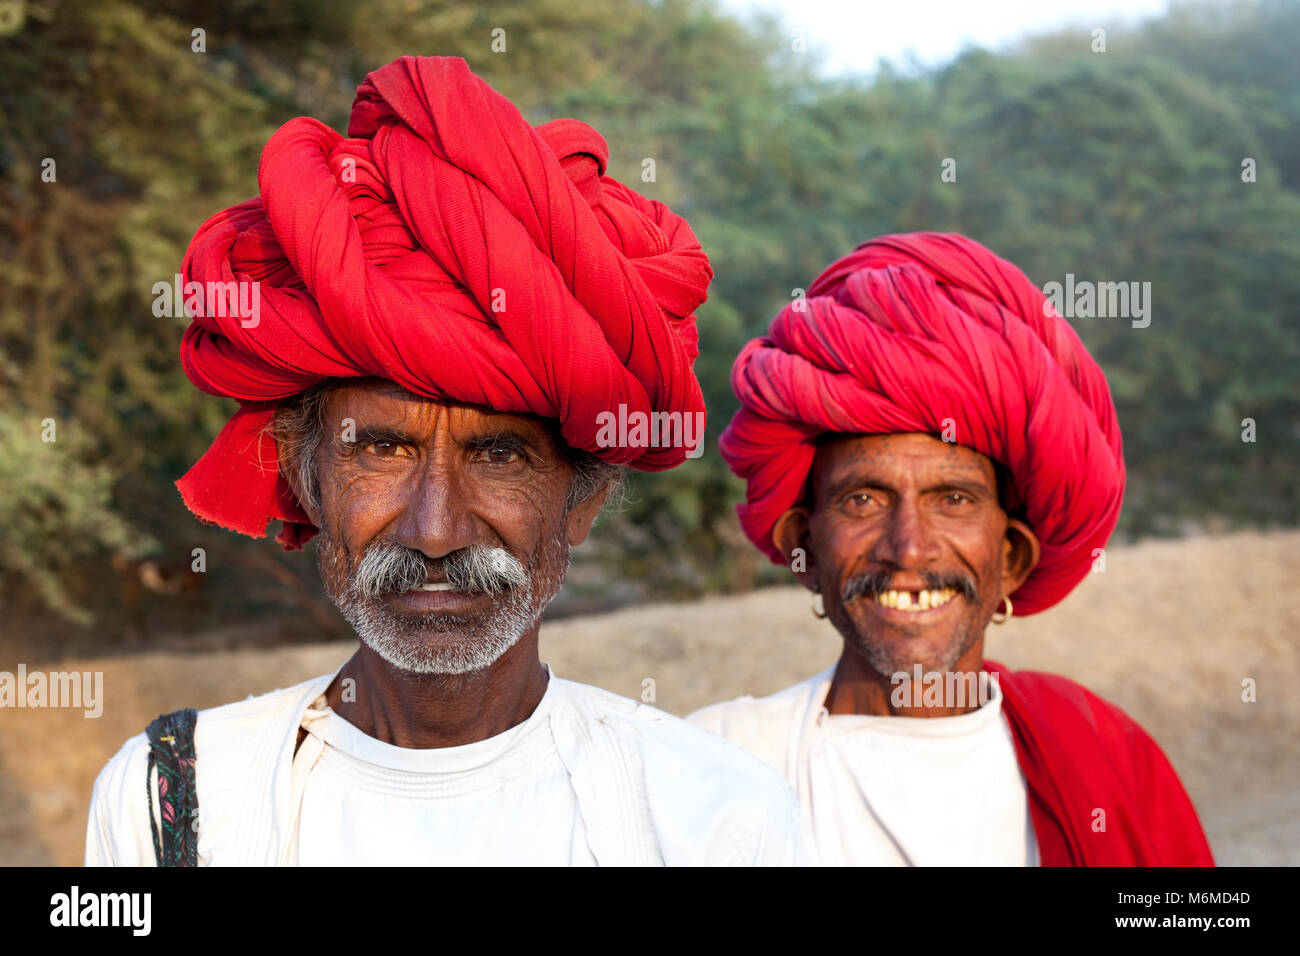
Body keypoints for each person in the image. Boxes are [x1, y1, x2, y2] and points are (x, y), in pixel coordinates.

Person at [85, 56, 804, 867]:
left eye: (498, 454)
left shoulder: (715, 820)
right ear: (306, 478)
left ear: (583, 500)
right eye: (381, 451)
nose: (435, 531)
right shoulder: (174, 801)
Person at [689, 232, 1214, 866]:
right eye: (864, 501)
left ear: (1012, 560)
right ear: (806, 547)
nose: (909, 548)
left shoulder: (1112, 760)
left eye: (954, 500)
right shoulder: (714, 767)